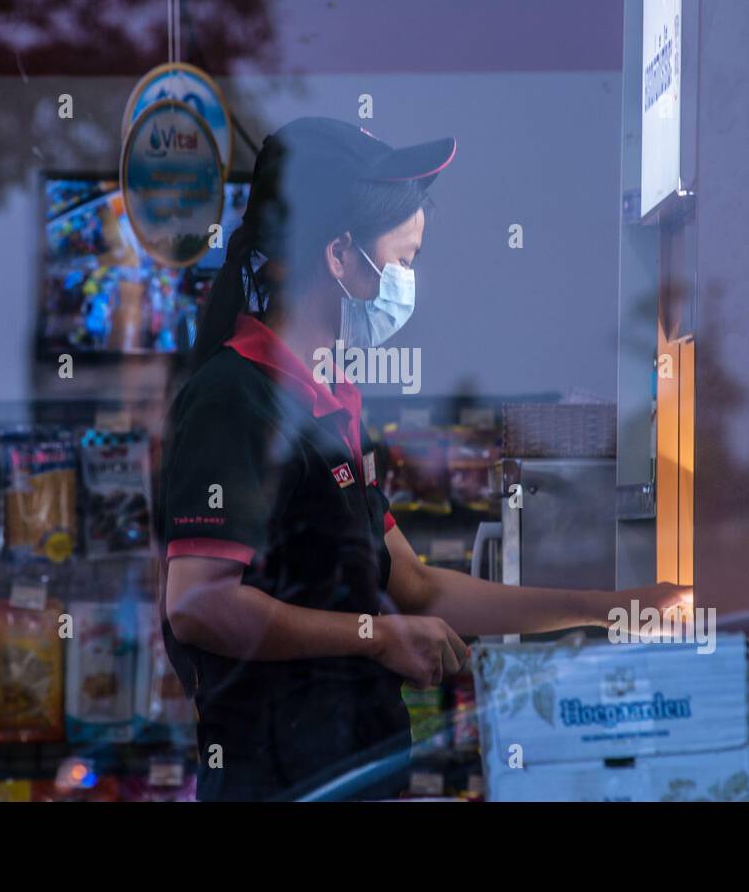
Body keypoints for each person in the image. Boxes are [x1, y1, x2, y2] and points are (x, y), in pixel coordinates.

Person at [157, 117, 691, 801]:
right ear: (340, 253)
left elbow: (416, 583)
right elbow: (199, 602)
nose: (408, 281)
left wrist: (613, 607)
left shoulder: (329, 399)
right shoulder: (235, 398)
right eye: (403, 261)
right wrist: (375, 635)